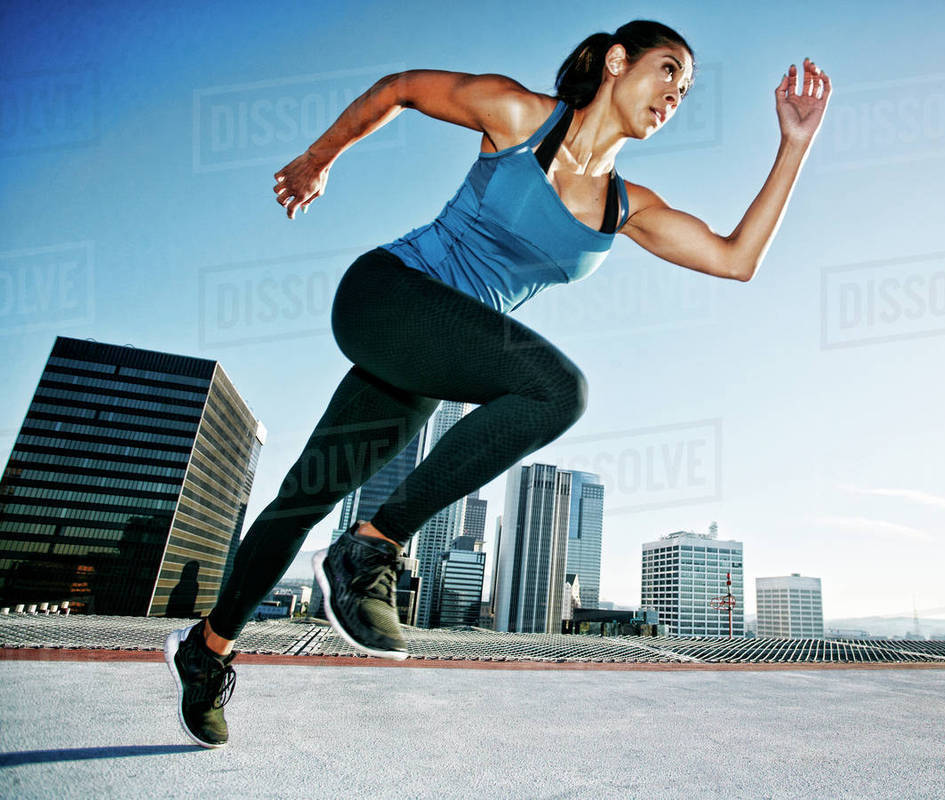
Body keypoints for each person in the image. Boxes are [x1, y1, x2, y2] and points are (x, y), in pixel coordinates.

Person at [164, 19, 831, 748]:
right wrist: (319, 158)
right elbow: (401, 89)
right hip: (389, 295)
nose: (676, 94)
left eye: (687, 89)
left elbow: (737, 259)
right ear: (616, 61)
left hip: (430, 354)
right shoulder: (519, 116)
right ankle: (371, 547)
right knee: (557, 389)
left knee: (305, 495)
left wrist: (794, 146)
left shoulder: (625, 207)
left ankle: (208, 649)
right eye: (668, 70)